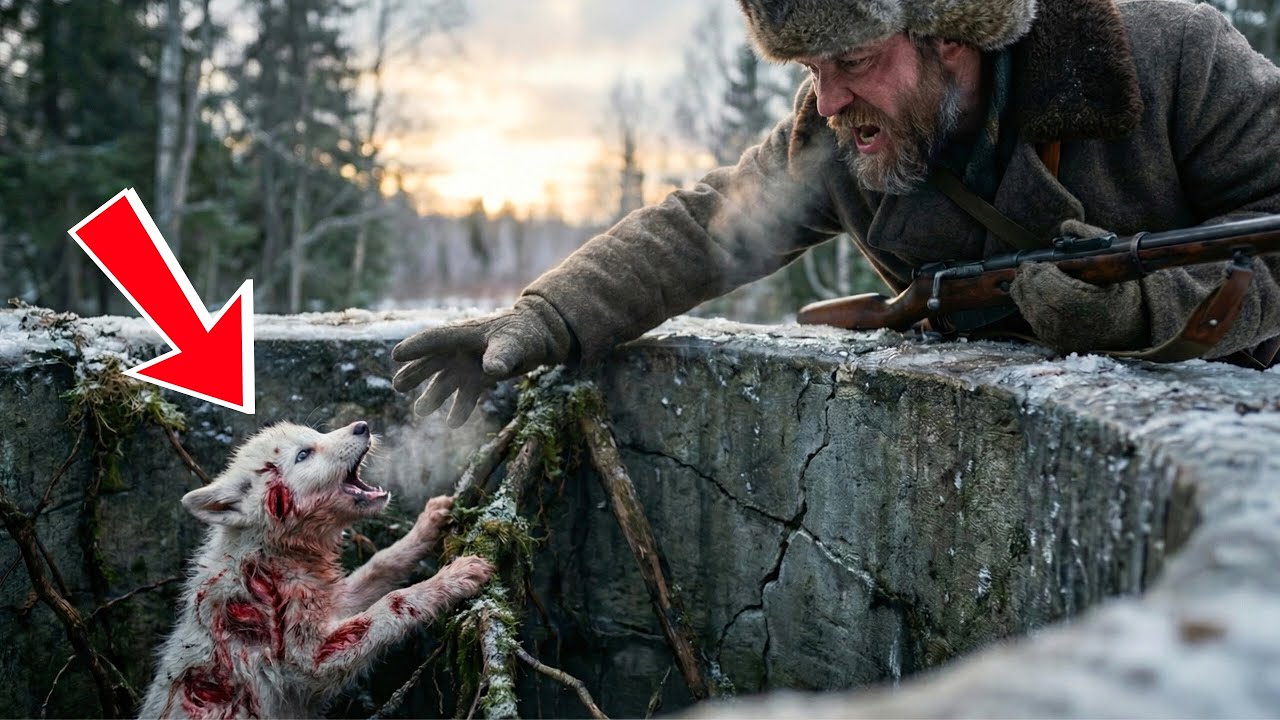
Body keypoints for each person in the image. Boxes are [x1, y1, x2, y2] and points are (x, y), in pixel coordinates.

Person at [393, 0, 1280, 426]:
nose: (826, 104)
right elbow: (706, 227)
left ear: (951, 31)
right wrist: (545, 318)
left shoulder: (1174, 58)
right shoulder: (835, 138)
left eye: (850, 61)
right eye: (809, 72)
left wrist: (1148, 310)